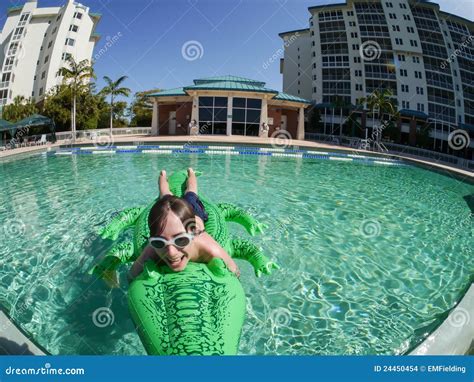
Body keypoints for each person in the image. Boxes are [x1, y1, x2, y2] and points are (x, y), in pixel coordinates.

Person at [129, 169, 240, 281]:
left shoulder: (209, 248)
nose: (171, 252)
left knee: (191, 192)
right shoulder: (152, 249)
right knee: (164, 195)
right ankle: (162, 177)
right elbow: (131, 276)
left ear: (193, 234)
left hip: (194, 213)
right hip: (176, 215)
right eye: (159, 242)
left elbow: (235, 271)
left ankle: (191, 173)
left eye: (181, 240)